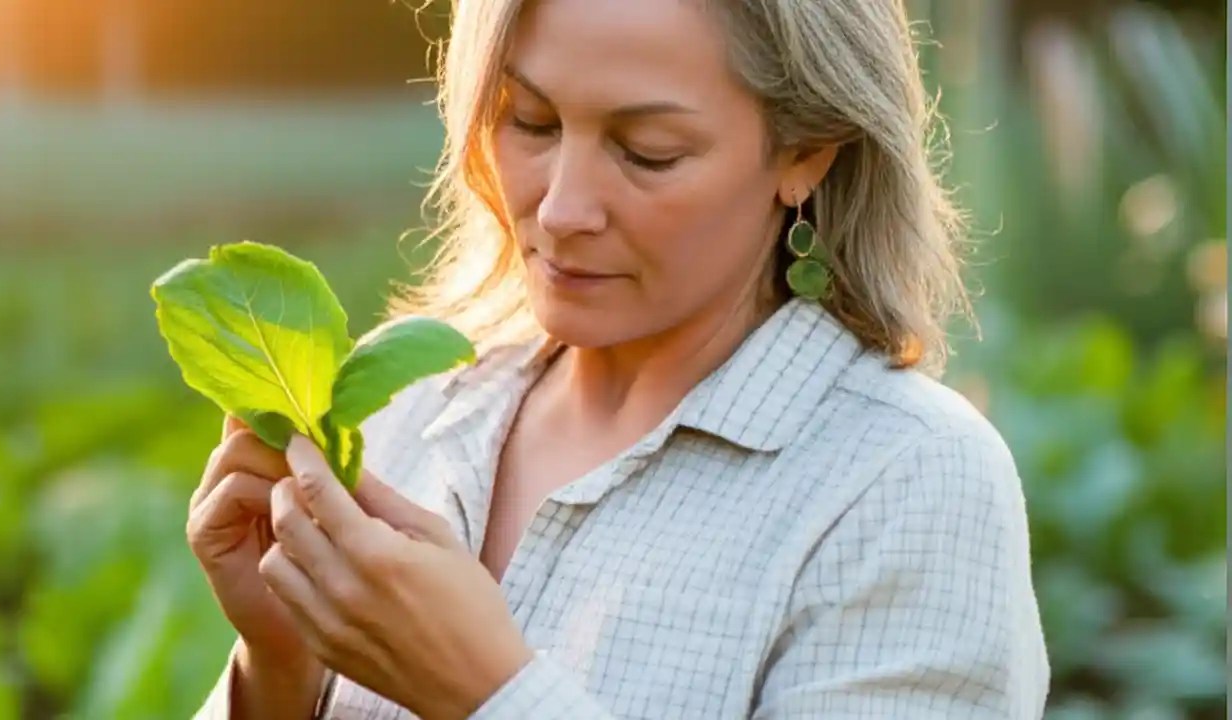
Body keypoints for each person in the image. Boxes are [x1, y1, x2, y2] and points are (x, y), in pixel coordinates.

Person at [188, 0, 1050, 718]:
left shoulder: (902, 481)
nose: (562, 209)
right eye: (529, 122)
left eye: (646, 152)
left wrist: (488, 693)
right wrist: (280, 665)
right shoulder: (413, 408)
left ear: (806, 152)